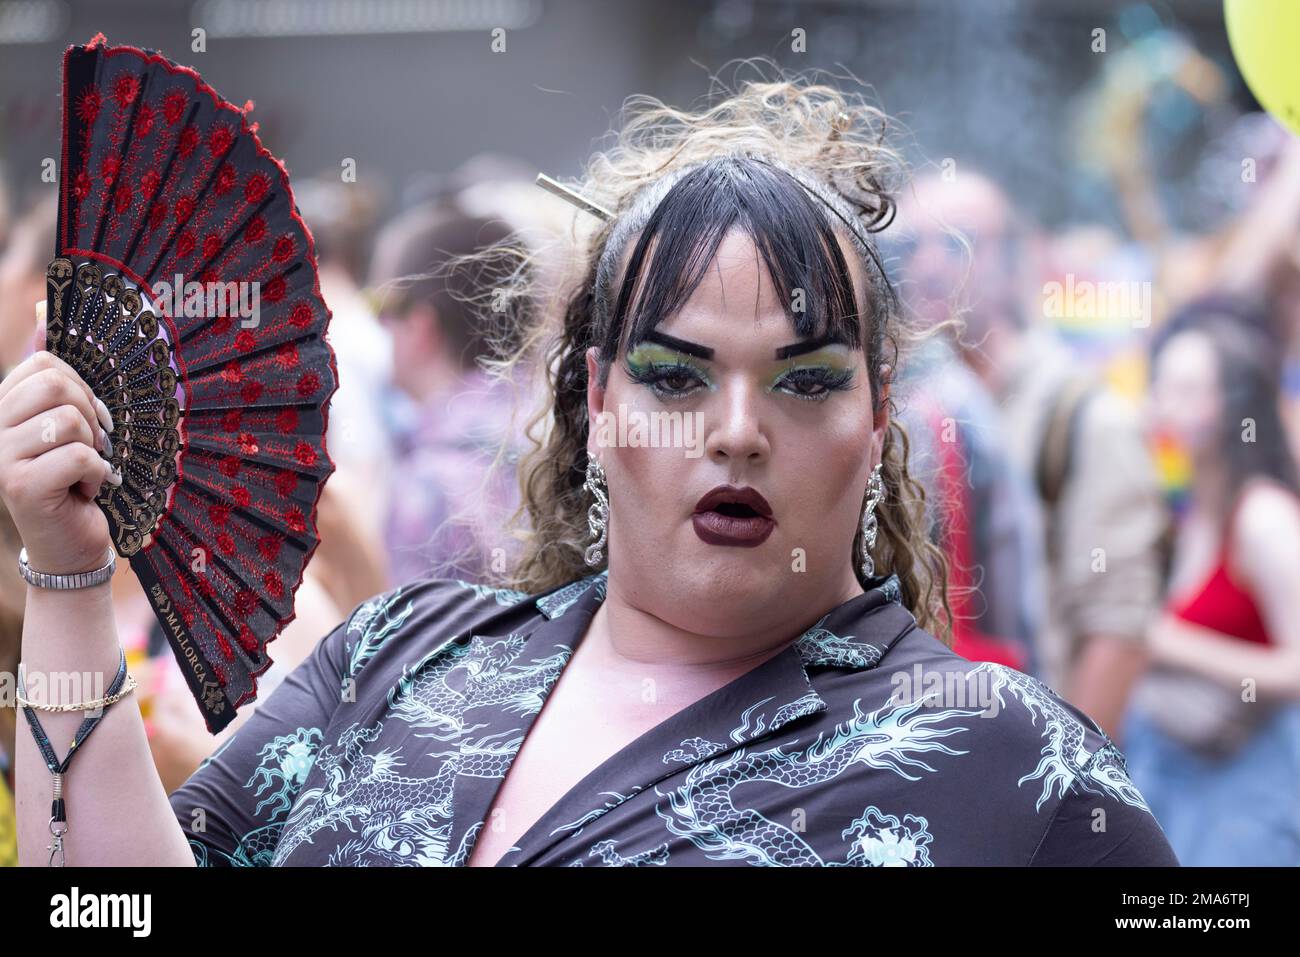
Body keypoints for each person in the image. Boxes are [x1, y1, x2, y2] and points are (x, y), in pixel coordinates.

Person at [4, 68, 1177, 866]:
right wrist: (64, 579)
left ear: (878, 424)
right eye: (675, 375)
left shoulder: (1007, 762)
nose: (735, 429)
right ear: (598, 403)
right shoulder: (394, 659)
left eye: (805, 378)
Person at [897, 169, 1166, 740]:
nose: (928, 265)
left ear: (1016, 259)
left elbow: (1118, 632)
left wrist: (1067, 793)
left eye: (956, 242)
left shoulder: (1084, 417)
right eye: (908, 245)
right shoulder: (900, 404)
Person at [1121, 300, 1300, 866]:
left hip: (1251, 786)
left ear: (1233, 407)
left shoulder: (1262, 516)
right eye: (1162, 387)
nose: (1163, 407)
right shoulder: (1192, 510)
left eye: (1187, 390)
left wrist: (1169, 646)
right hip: (1183, 779)